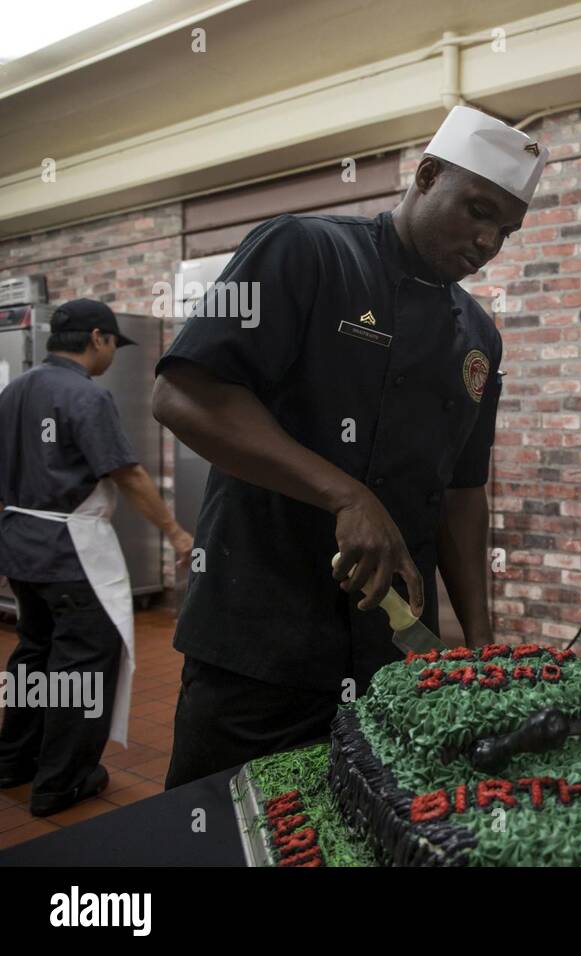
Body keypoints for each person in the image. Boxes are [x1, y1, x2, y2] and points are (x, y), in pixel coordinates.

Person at [152, 106, 548, 789]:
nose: (488, 241)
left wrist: (479, 645)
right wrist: (344, 493)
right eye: (478, 211)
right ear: (426, 176)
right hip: (260, 639)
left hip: (387, 653)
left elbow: (461, 493)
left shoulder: (478, 335)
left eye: (505, 231)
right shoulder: (301, 250)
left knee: (368, 828)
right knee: (219, 832)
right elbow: (183, 395)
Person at [0, 299, 193, 815]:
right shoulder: (86, 396)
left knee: (36, 654)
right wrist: (175, 532)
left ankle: (13, 762)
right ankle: (61, 781)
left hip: (20, 550)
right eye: (112, 344)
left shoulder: (13, 391)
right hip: (69, 551)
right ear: (97, 338)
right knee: (82, 665)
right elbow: (126, 473)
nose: (112, 354)